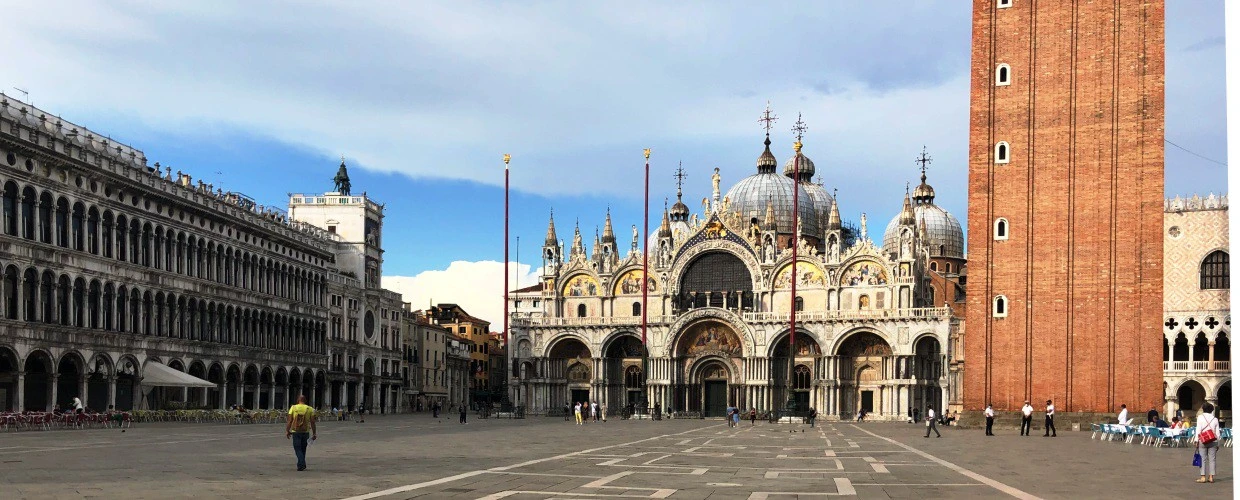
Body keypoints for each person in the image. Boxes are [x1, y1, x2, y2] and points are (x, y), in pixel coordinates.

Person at [285, 395, 317, 471]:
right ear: (305, 401)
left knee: (297, 448)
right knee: (303, 449)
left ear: (298, 400)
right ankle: (301, 465)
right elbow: (313, 422)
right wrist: (314, 433)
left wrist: (287, 430)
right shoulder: (310, 409)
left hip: (296, 431)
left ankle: (301, 463)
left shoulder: (293, 408)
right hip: (305, 431)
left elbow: (289, 421)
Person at [1196, 402, 1220, 483]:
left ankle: (1203, 477)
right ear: (1211, 410)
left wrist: (1196, 440)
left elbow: (1198, 430)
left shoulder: (1200, 417)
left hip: (1203, 440)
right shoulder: (1215, 419)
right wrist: (1218, 443)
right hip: (1213, 440)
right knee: (1212, 459)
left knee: (1202, 459)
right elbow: (1217, 433)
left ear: (1203, 409)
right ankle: (1211, 477)